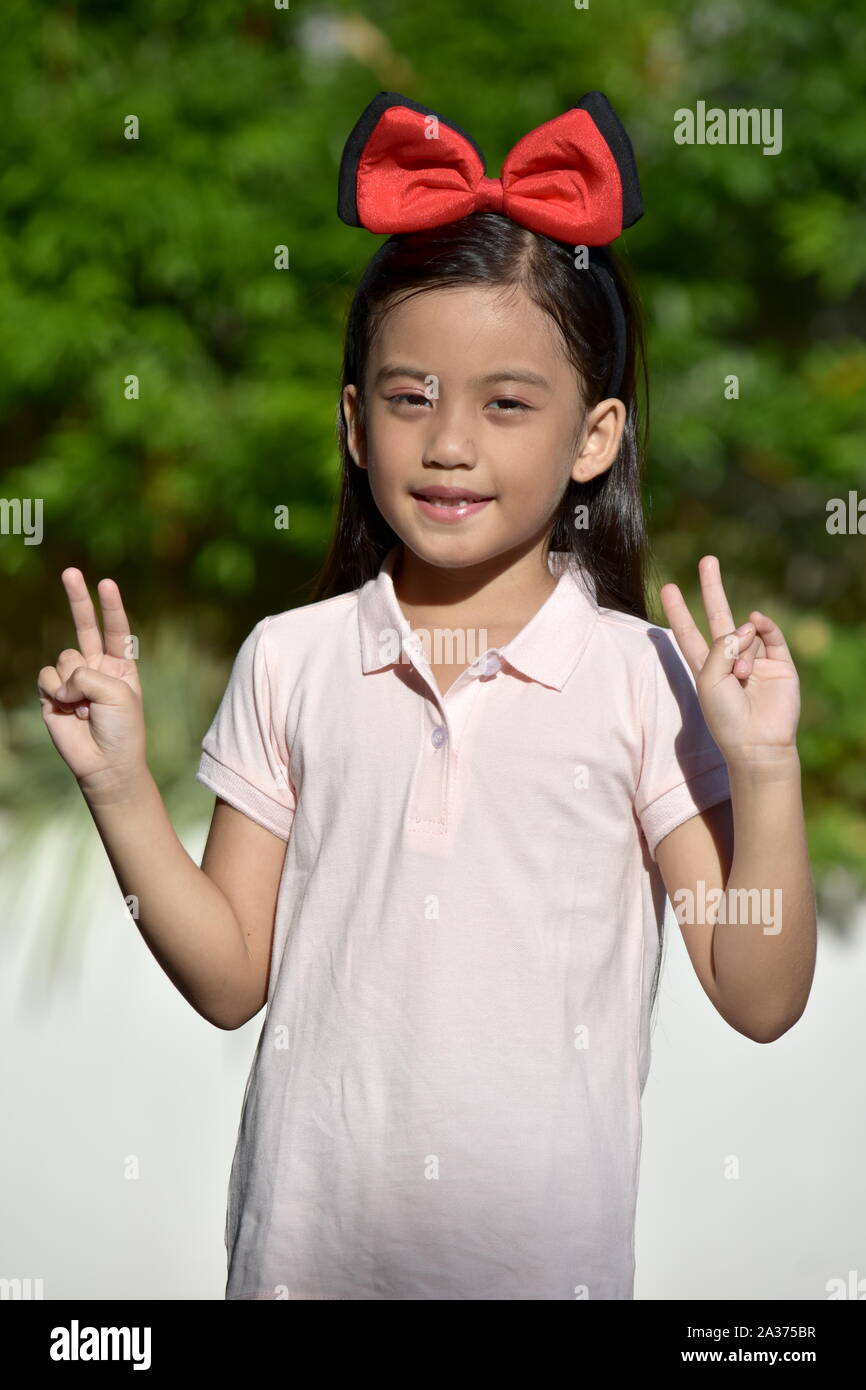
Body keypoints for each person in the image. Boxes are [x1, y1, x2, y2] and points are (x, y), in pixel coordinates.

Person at [38, 91, 816, 1301]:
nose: (449, 442)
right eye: (408, 397)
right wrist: (119, 788)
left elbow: (757, 996)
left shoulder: (641, 677)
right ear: (355, 421)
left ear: (594, 435)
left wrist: (762, 769)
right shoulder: (289, 658)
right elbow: (232, 982)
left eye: (507, 404)